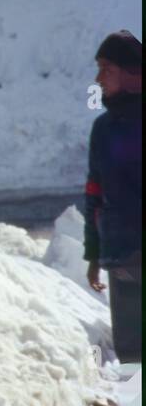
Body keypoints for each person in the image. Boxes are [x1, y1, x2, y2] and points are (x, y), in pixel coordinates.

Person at [84, 30, 142, 364]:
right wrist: (94, 251)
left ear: (133, 74)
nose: (97, 78)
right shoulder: (103, 129)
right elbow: (95, 190)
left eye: (106, 68)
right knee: (133, 358)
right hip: (123, 261)